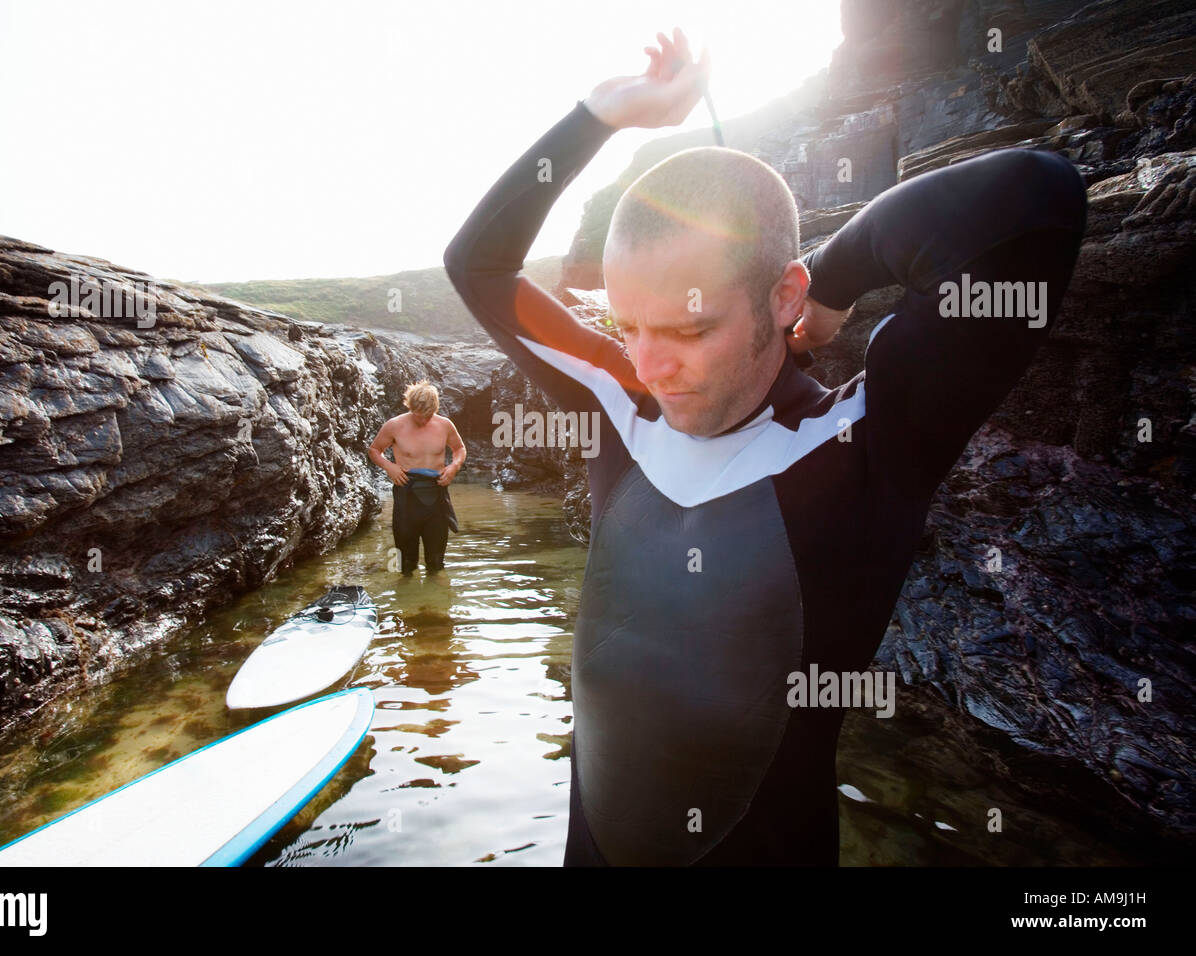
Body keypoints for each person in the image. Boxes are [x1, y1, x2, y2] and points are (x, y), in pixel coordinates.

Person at [443, 27, 1087, 865]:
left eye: (688, 328)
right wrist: (602, 115)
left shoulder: (865, 443)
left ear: (781, 295)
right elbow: (478, 265)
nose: (649, 363)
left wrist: (834, 278)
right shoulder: (619, 404)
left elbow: (1035, 198)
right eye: (627, 325)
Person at [368, 381, 464, 575]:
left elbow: (459, 448)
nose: (423, 421)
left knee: (436, 563)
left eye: (428, 416)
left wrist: (454, 467)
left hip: (436, 494)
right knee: (406, 565)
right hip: (407, 495)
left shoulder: (444, 425)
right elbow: (374, 450)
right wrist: (390, 467)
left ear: (435, 409)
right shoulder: (395, 425)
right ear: (410, 407)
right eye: (419, 416)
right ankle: (405, 599)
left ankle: (435, 600)